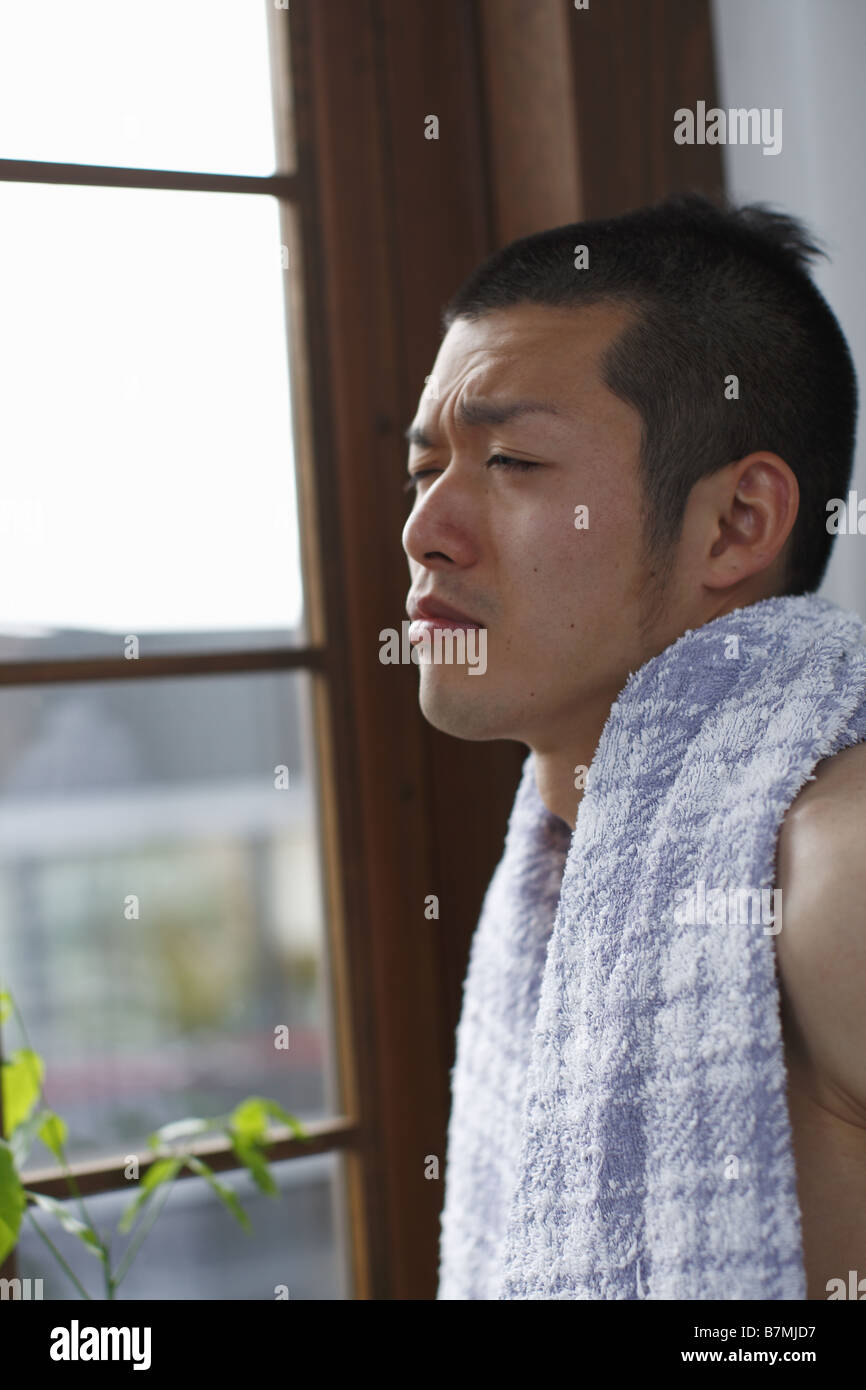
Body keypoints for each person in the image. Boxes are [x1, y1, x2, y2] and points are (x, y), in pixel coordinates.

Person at [401, 194, 866, 1300]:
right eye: (425, 469)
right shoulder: (575, 857)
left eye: (510, 460)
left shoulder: (834, 868)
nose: (425, 529)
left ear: (736, 524)